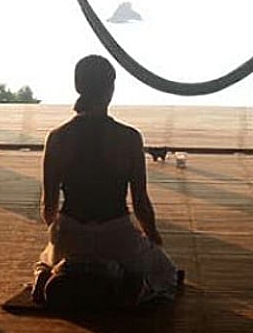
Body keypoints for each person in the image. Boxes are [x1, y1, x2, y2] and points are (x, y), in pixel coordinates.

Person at [34, 55, 180, 309]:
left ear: (78, 86)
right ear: (110, 89)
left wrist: (61, 234)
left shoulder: (57, 138)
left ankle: (51, 273)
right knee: (167, 273)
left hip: (71, 234)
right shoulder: (129, 138)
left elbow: (48, 207)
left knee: (46, 257)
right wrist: (153, 237)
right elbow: (140, 202)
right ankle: (131, 285)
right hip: (117, 235)